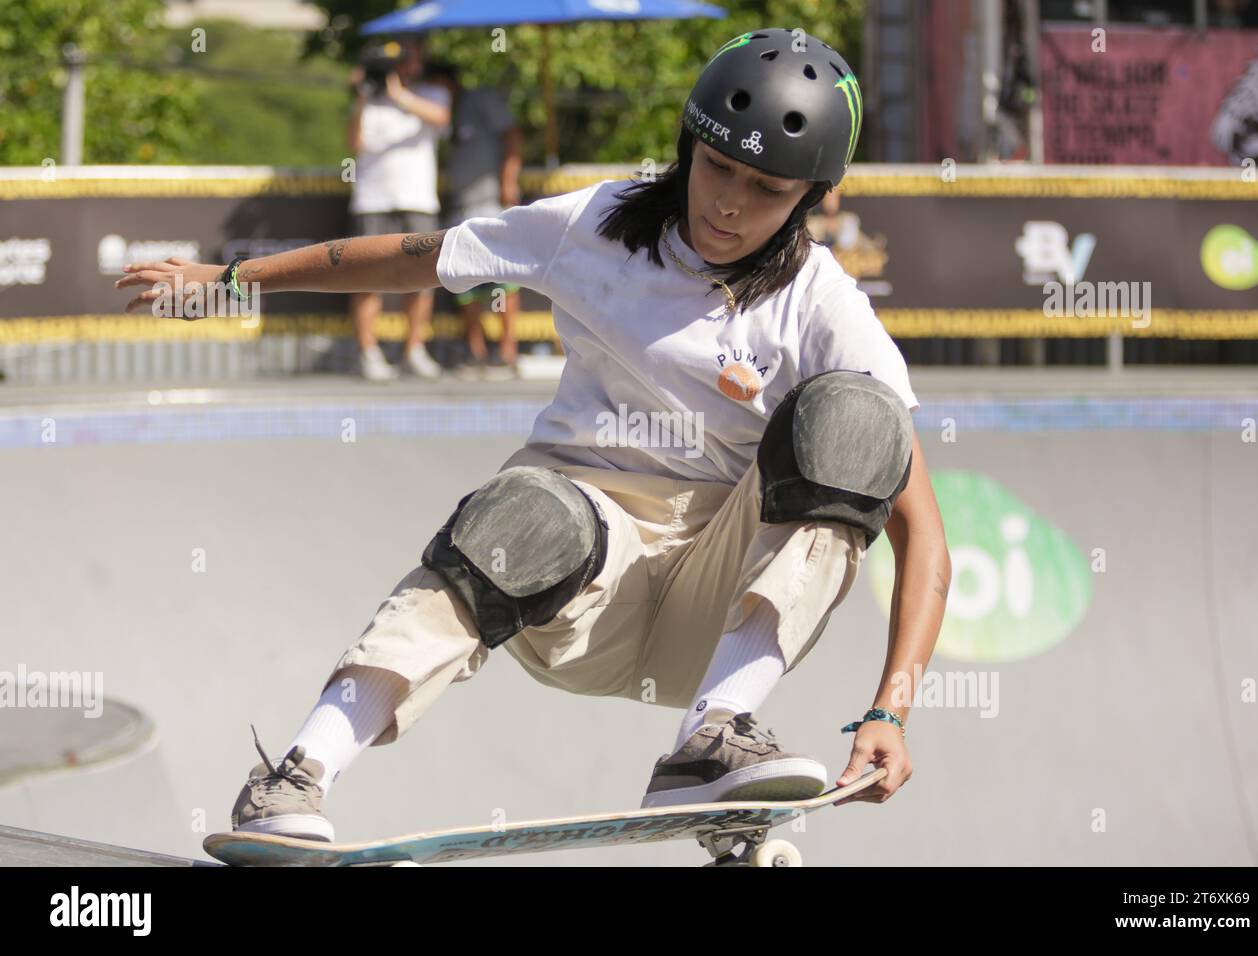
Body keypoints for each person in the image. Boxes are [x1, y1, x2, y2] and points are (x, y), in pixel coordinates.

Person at [118, 28, 951, 843]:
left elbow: (926, 539)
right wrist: (230, 278)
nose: (729, 203)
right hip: (580, 587)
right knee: (531, 509)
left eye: (766, 188)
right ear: (688, 146)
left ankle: (714, 734)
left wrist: (891, 709)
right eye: (718, 166)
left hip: (721, 593)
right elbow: (416, 255)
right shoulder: (595, 223)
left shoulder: (824, 305)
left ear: (810, 196)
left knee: (859, 414)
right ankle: (299, 774)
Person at [346, 38, 452, 381]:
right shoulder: (369, 102)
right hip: (372, 199)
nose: (404, 68)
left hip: (417, 198)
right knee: (364, 278)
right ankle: (368, 352)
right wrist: (364, 94)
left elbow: (440, 118)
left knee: (422, 277)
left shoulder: (431, 94)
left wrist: (399, 95)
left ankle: (414, 349)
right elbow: (353, 143)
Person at [428, 64, 525, 379]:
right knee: (463, 280)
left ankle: (508, 351)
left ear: (447, 81)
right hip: (460, 206)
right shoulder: (443, 113)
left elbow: (512, 134)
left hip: (491, 203)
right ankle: (476, 351)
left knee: (503, 277)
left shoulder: (480, 99)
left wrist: (508, 179)